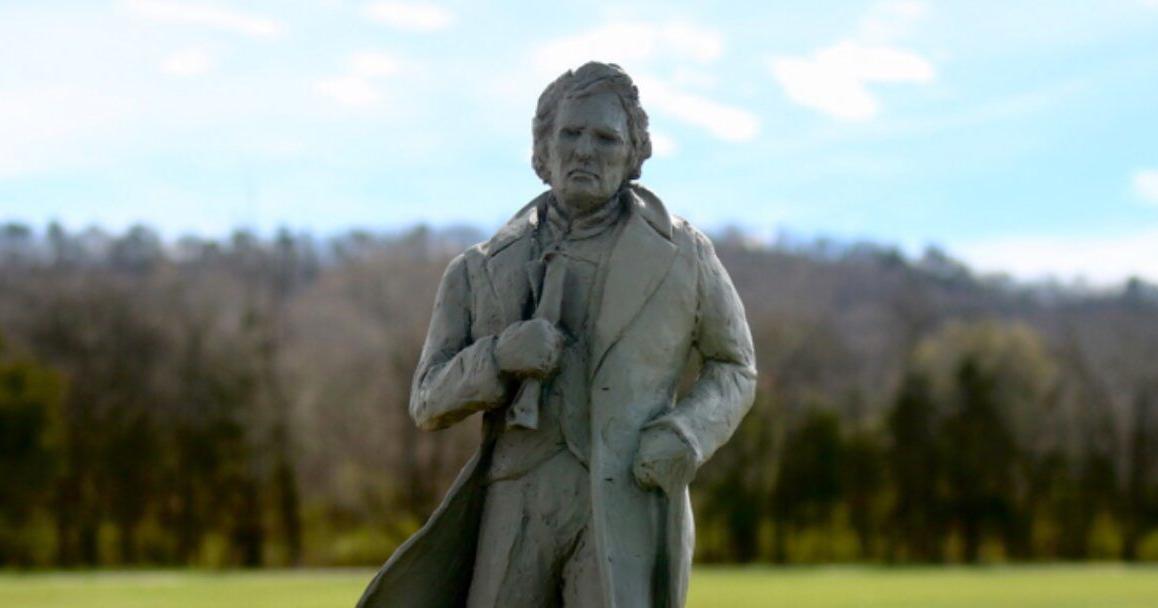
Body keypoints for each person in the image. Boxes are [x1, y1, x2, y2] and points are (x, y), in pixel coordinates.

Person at [357, 61, 756, 608]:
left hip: (627, 504)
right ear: (541, 152)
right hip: (513, 506)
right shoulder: (476, 270)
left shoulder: (684, 257)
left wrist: (687, 433)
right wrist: (498, 358)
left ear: (633, 156)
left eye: (605, 137)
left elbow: (735, 366)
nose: (585, 151)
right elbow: (428, 401)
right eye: (569, 134)